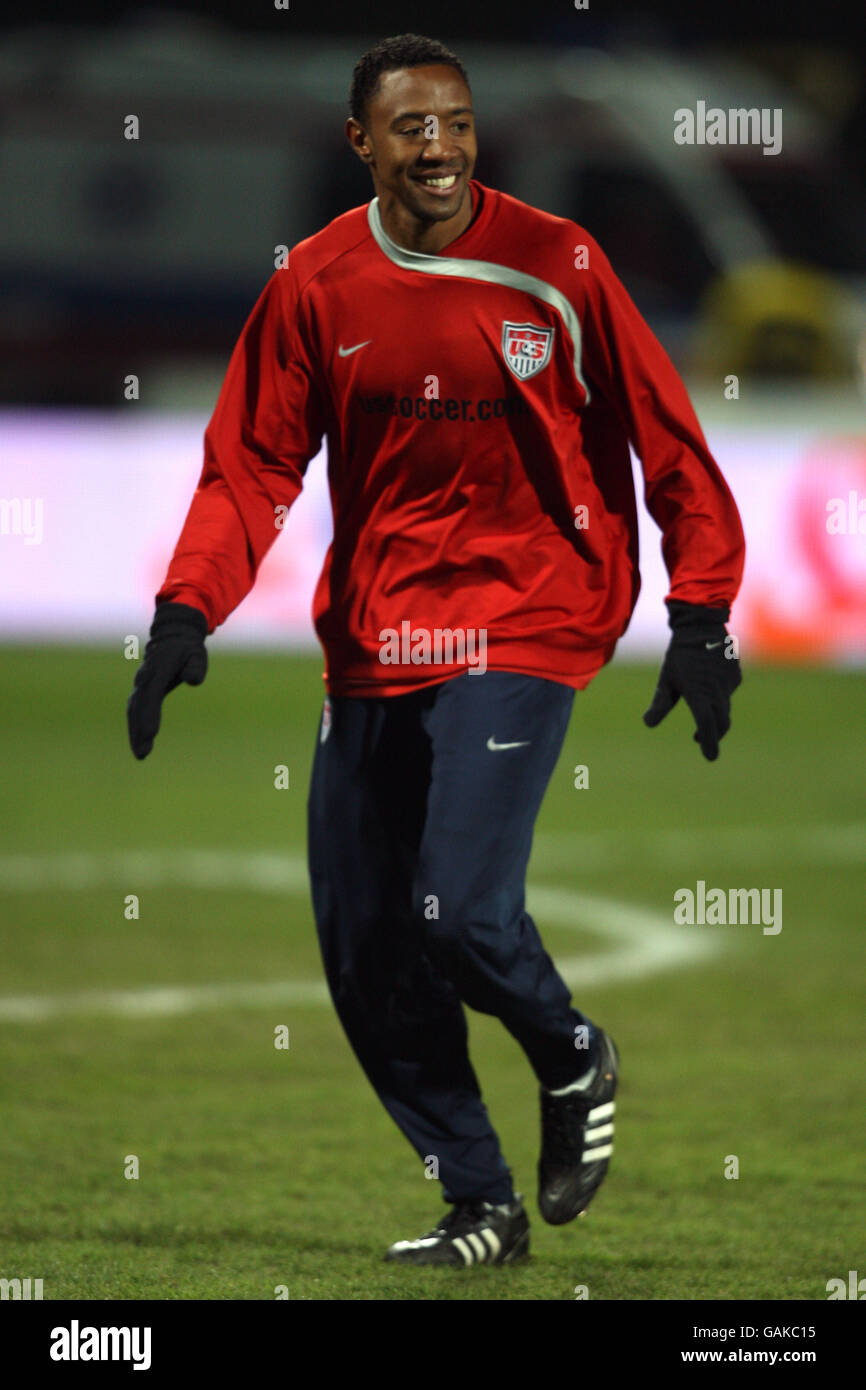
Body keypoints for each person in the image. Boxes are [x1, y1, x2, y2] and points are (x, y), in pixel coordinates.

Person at [127, 32, 745, 1269]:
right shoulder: (312, 283)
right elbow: (250, 462)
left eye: (455, 123)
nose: (440, 148)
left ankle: (570, 1051)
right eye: (412, 127)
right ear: (362, 144)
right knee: (365, 945)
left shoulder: (555, 262)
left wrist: (699, 613)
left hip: (527, 612)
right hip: (375, 634)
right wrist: (187, 610)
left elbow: (664, 437)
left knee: (457, 908)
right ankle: (481, 1203)